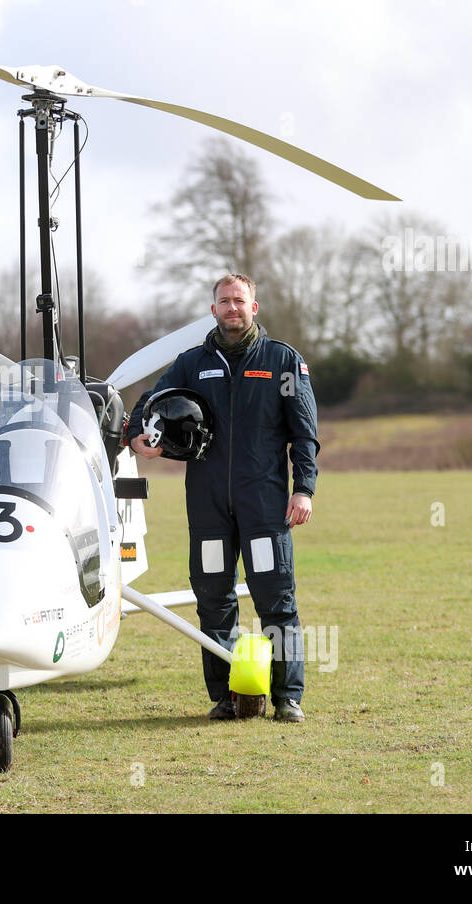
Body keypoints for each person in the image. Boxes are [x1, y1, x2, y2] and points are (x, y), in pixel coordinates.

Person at [126, 273, 318, 722]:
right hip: (208, 506)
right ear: (212, 311)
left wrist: (303, 489)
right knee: (213, 598)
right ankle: (226, 695)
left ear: (255, 307)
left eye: (240, 301)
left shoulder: (281, 361)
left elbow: (304, 433)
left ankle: (287, 696)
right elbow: (149, 401)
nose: (232, 308)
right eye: (224, 302)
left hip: (265, 505)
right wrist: (137, 436)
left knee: (276, 599)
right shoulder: (193, 362)